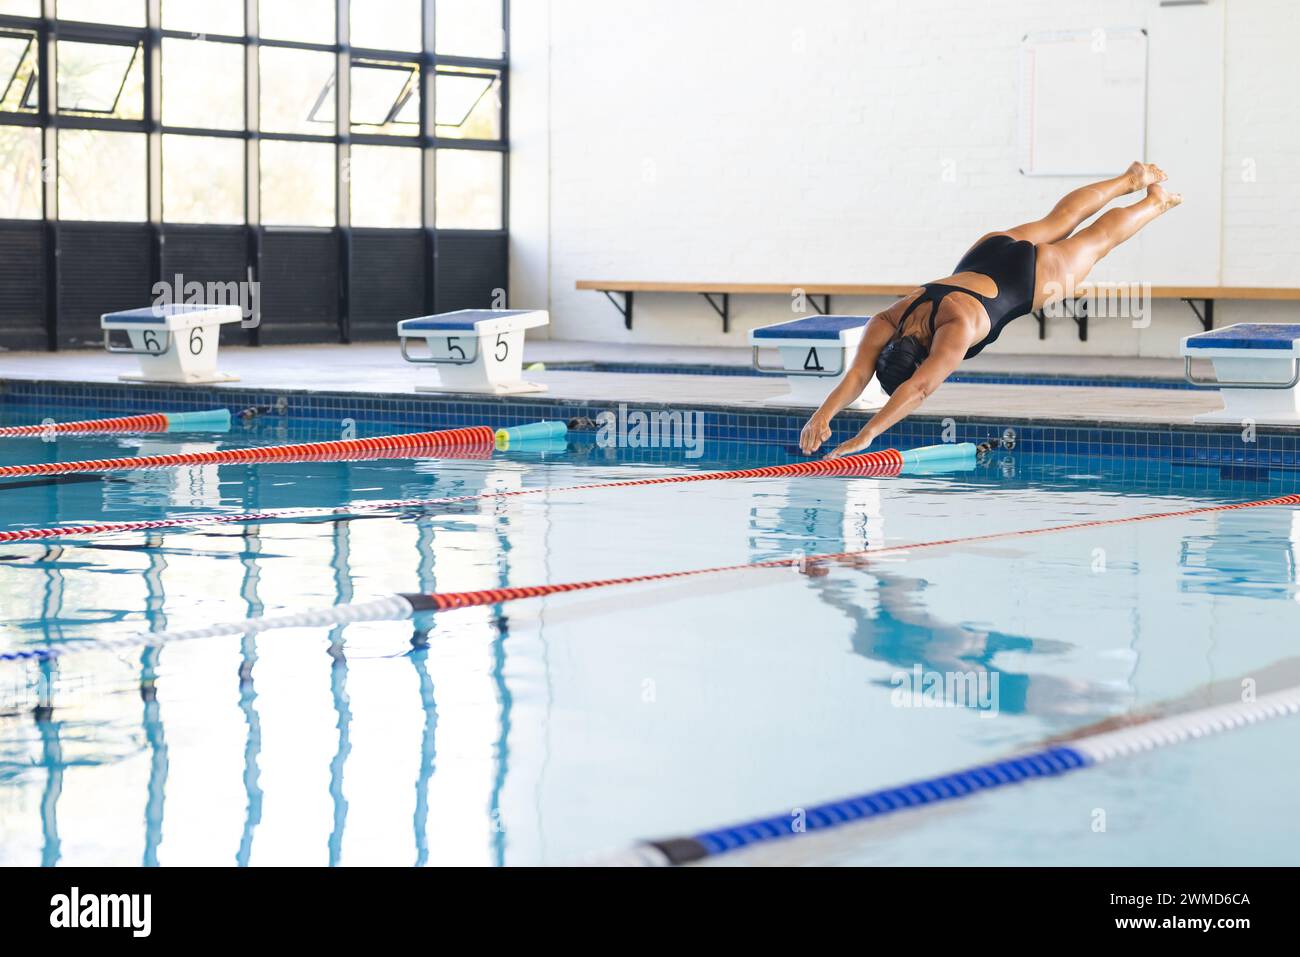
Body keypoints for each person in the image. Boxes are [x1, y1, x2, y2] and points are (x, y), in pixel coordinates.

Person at [799, 162, 1182, 458]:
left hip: (1031, 277)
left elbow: (919, 389)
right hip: (986, 252)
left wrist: (869, 434)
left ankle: (1154, 202)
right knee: (1061, 219)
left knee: (1098, 240)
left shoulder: (956, 326)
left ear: (922, 358)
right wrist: (822, 415)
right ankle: (1128, 179)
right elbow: (858, 374)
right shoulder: (889, 319)